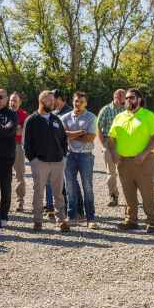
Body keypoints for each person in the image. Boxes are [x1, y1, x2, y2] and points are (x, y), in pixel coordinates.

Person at [107, 88, 154, 232]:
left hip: (143, 160)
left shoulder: (148, 115)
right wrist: (113, 152)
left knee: (147, 192)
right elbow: (111, 138)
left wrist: (144, 153)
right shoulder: (120, 117)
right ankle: (131, 220)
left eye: (132, 97)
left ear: (139, 100)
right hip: (123, 162)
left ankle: (152, 221)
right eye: (127, 98)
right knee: (128, 192)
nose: (128, 100)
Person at [23, 90, 69, 232]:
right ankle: (38, 221)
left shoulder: (56, 120)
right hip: (40, 162)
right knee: (39, 193)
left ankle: (61, 220)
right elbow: (27, 144)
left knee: (58, 193)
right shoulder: (32, 120)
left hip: (57, 162)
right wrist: (33, 160)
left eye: (53, 100)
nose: (53, 102)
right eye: (49, 100)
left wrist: (63, 157)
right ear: (41, 100)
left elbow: (63, 140)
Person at [61, 91, 98, 227]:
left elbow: (91, 137)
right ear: (73, 101)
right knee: (70, 187)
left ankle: (90, 218)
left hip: (85, 156)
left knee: (87, 187)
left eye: (81, 102)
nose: (78, 104)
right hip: (69, 155)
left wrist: (71, 135)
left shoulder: (91, 117)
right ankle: (72, 216)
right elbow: (62, 135)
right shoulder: (64, 117)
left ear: (86, 103)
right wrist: (81, 132)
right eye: (76, 101)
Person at [0, 88, 18, 221]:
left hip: (6, 157)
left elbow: (9, 131)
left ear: (6, 99)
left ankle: (3, 214)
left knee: (6, 187)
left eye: (1, 97)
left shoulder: (12, 115)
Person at [96, 89, 127, 208]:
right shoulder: (106, 109)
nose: (120, 98)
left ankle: (129, 197)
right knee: (111, 173)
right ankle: (113, 196)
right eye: (118, 96)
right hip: (108, 142)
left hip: (124, 143)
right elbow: (98, 127)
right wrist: (103, 145)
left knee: (125, 171)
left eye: (122, 96)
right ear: (114, 96)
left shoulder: (127, 110)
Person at [9, 92, 29, 212]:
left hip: (17, 146)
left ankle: (20, 202)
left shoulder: (24, 115)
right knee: (0, 175)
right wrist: (15, 129)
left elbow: (21, 132)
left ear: (20, 102)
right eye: (11, 100)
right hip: (3, 147)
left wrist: (10, 129)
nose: (13, 103)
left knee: (19, 175)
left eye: (15, 101)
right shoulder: (3, 113)